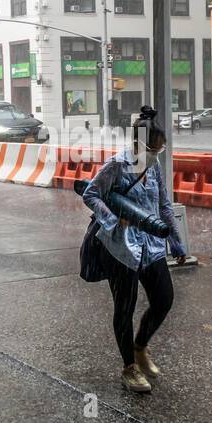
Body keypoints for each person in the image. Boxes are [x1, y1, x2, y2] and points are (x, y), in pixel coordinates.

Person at [82, 107, 187, 393]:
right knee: (124, 308)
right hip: (120, 247)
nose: (157, 153)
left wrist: (177, 242)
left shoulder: (152, 167)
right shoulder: (117, 165)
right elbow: (91, 194)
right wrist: (114, 220)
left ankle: (141, 346)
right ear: (139, 143)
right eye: (153, 148)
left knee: (164, 298)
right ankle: (129, 367)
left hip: (151, 245)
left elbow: (163, 205)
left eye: (160, 148)